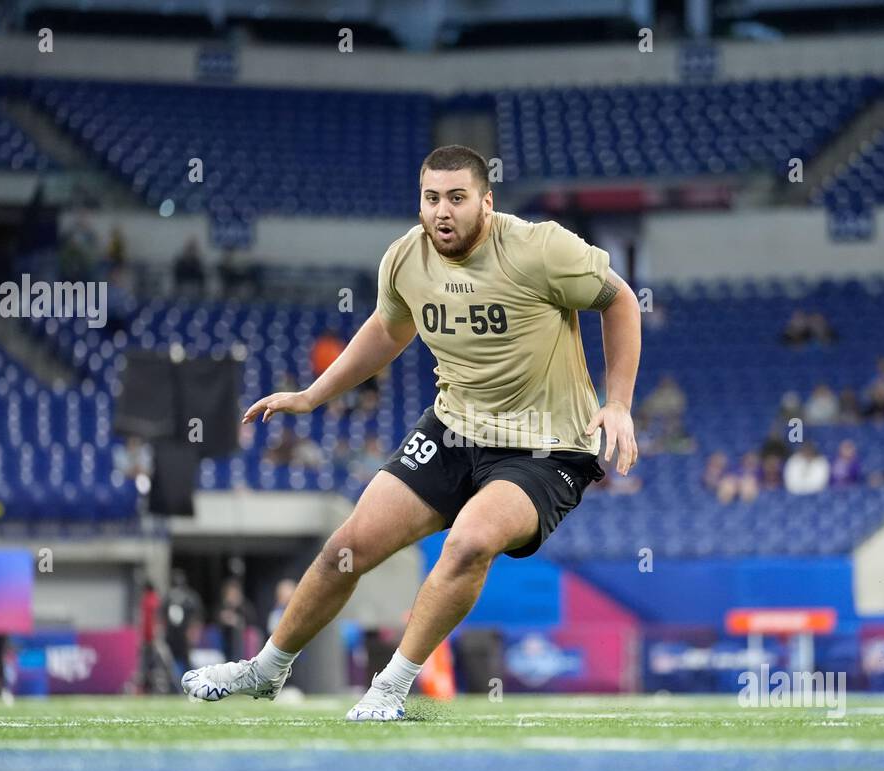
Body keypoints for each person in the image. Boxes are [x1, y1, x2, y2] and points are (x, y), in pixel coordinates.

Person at [181, 145, 641, 720]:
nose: (442, 211)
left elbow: (620, 299)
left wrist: (618, 402)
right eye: (431, 198)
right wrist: (312, 395)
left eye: (456, 197)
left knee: (470, 542)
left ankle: (390, 688)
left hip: (544, 447)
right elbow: (388, 329)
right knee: (345, 550)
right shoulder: (405, 259)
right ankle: (265, 671)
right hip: (453, 431)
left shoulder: (540, 248)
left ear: (486, 202)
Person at [214, 578, 256, 664]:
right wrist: (225, 618)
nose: (232, 596)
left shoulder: (244, 606)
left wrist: (237, 618)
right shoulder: (223, 606)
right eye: (230, 593)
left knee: (242, 632)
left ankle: (239, 662)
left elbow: (251, 620)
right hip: (224, 637)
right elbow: (216, 619)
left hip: (241, 639)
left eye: (234, 593)